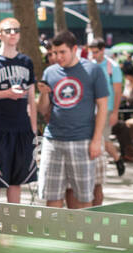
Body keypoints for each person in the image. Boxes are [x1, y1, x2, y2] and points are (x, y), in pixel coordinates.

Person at [35, 30, 110, 209]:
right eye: (55, 53)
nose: (58, 57)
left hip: (82, 140)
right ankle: (52, 234)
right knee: (51, 194)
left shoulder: (93, 70)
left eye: (62, 52)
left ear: (74, 49)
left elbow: (103, 106)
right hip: (53, 140)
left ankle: (82, 235)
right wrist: (43, 95)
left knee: (84, 196)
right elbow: (43, 109)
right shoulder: (50, 72)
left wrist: (96, 140)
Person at [0, 17, 38, 204]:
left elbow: (31, 98)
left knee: (16, 181)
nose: (13, 33)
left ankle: (13, 225)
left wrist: (34, 129)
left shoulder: (26, 62)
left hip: (22, 129)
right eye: (8, 30)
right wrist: (6, 93)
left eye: (16, 30)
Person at [88, 39, 125, 182]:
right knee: (97, 138)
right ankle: (114, 159)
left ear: (103, 50)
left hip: (107, 109)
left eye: (96, 52)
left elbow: (117, 91)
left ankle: (117, 158)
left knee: (102, 138)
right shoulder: (90, 64)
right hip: (91, 109)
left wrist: (115, 111)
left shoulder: (112, 67)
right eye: (92, 52)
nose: (93, 55)